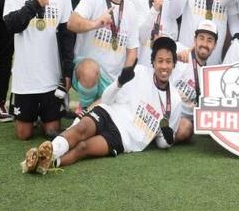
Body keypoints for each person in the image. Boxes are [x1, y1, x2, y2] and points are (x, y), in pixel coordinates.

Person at [20, 37, 187, 174]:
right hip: (110, 113)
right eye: (160, 61)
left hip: (124, 138)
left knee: (84, 148)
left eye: (168, 62)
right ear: (153, 62)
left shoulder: (175, 100)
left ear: (174, 64)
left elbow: (162, 143)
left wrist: (168, 139)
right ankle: (50, 150)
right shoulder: (140, 73)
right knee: (81, 129)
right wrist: (120, 82)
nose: (164, 66)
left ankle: (47, 164)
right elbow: (106, 100)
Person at [2, 0, 74, 140]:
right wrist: (34, 5)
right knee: (23, 135)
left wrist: (67, 72)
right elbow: (10, 25)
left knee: (52, 132)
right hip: (25, 78)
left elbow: (66, 33)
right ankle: (30, 114)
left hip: (51, 77)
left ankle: (44, 114)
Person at [67, 0, 140, 112]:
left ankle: (97, 109)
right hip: (88, 72)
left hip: (113, 81)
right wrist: (95, 24)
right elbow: (71, 23)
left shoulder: (131, 8)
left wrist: (123, 79)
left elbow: (132, 51)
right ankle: (85, 107)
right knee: (90, 69)